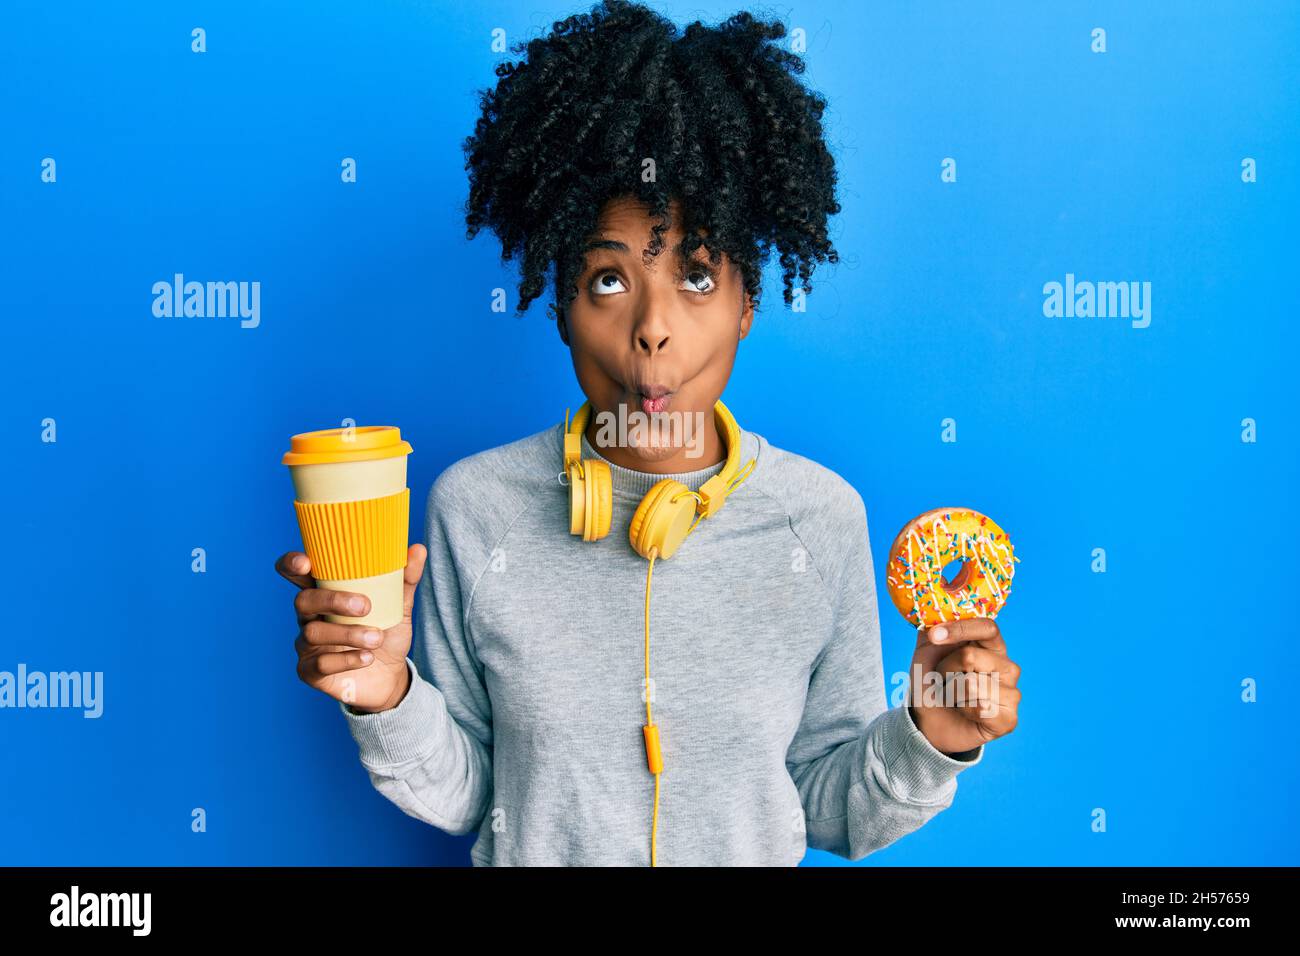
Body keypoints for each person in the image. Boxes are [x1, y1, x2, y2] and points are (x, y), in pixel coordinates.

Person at [276, 0, 1020, 866]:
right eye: (605, 279)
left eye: (698, 275)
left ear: (747, 305)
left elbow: (822, 803)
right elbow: (475, 794)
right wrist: (384, 693)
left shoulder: (820, 519)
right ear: (559, 307)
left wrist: (930, 736)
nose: (653, 326)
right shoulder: (473, 508)